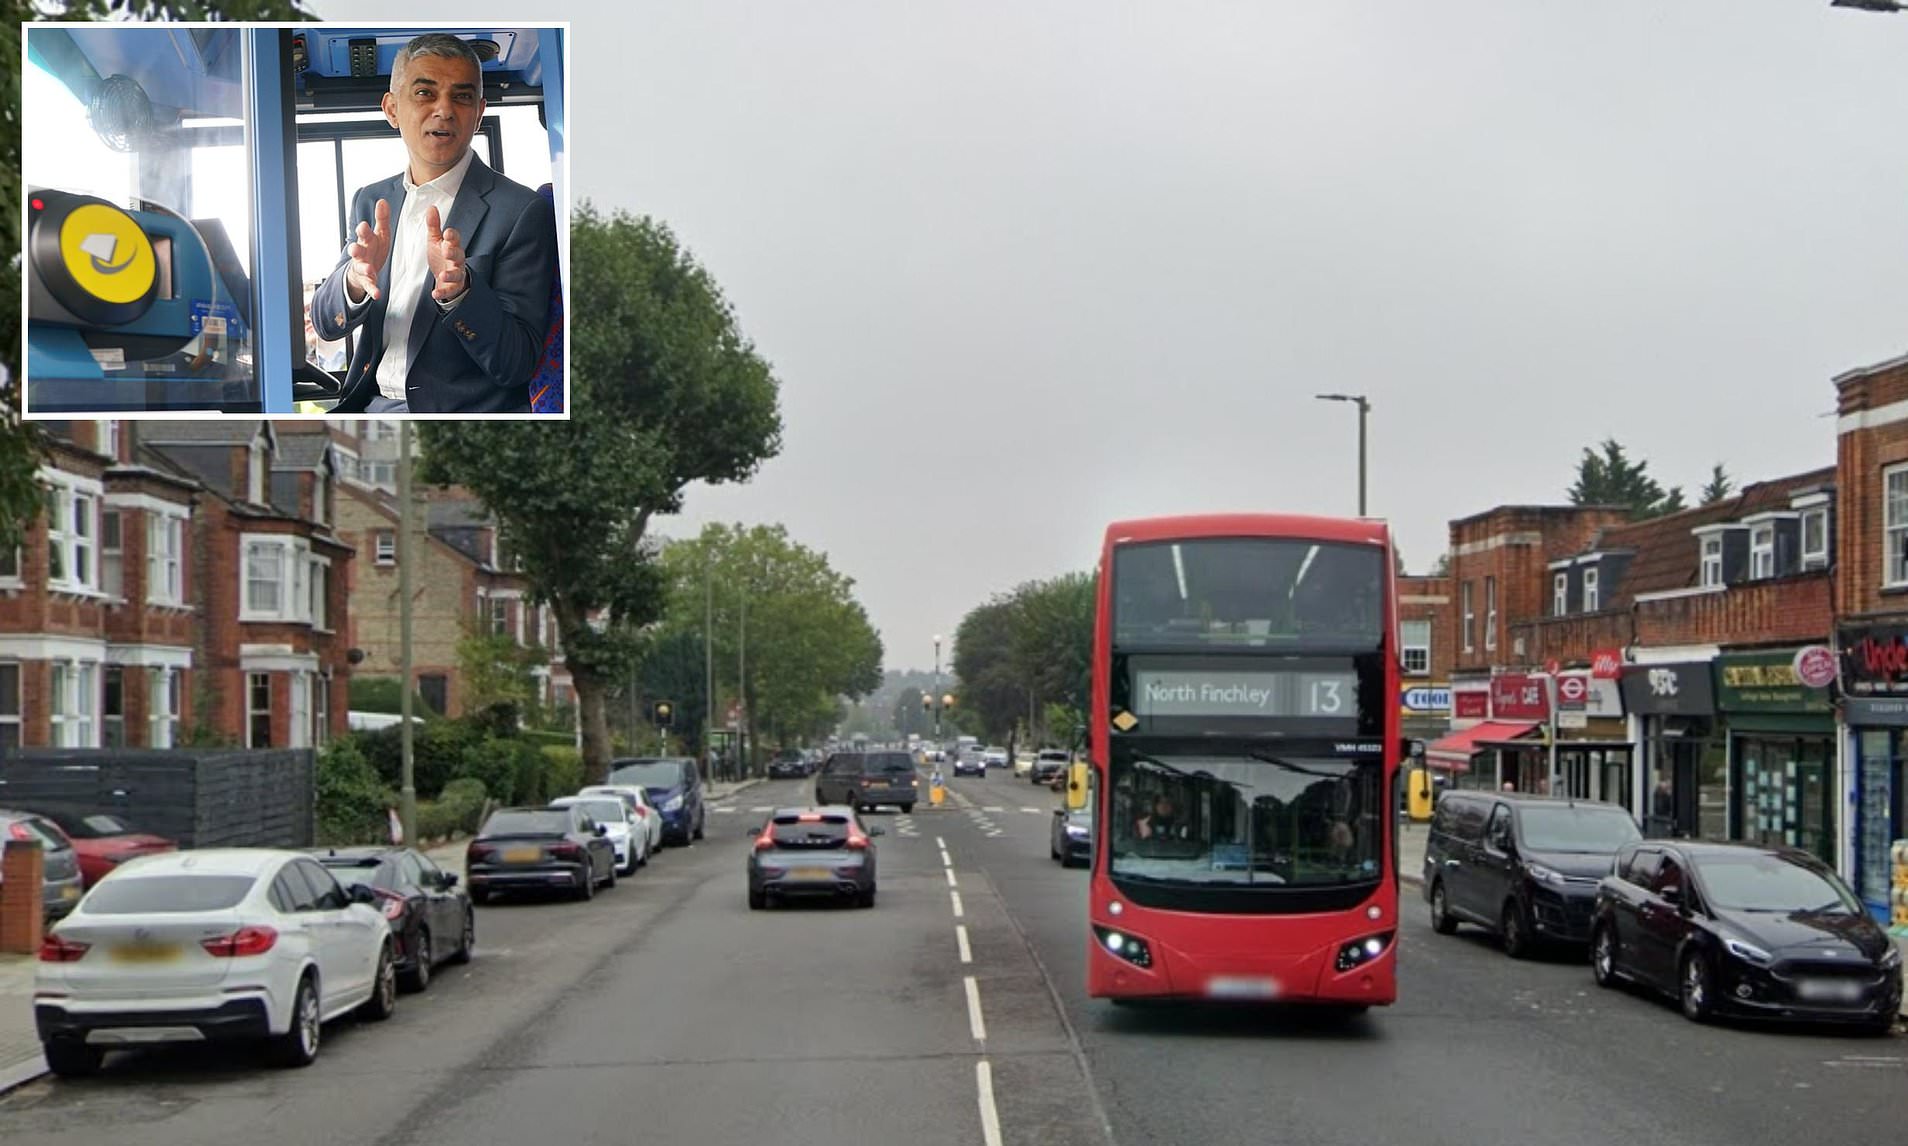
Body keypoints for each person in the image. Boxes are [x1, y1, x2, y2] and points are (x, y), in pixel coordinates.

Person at [313, 32, 558, 414]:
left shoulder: (521, 211)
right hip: (368, 406)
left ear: (478, 113)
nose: (444, 109)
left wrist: (461, 294)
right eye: (425, 93)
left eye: (461, 97)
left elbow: (516, 363)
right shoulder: (370, 200)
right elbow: (327, 324)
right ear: (392, 109)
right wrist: (353, 282)